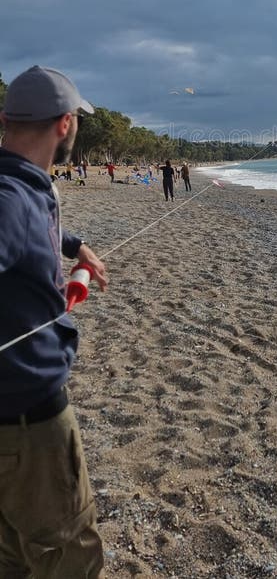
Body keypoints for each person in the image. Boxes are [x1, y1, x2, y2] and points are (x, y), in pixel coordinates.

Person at [0, 65, 107, 578]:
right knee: (71, 555)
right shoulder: (12, 199)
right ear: (65, 125)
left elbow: (33, 211)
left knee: (14, 557)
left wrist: (74, 244)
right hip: (29, 423)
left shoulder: (21, 184)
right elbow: (15, 212)